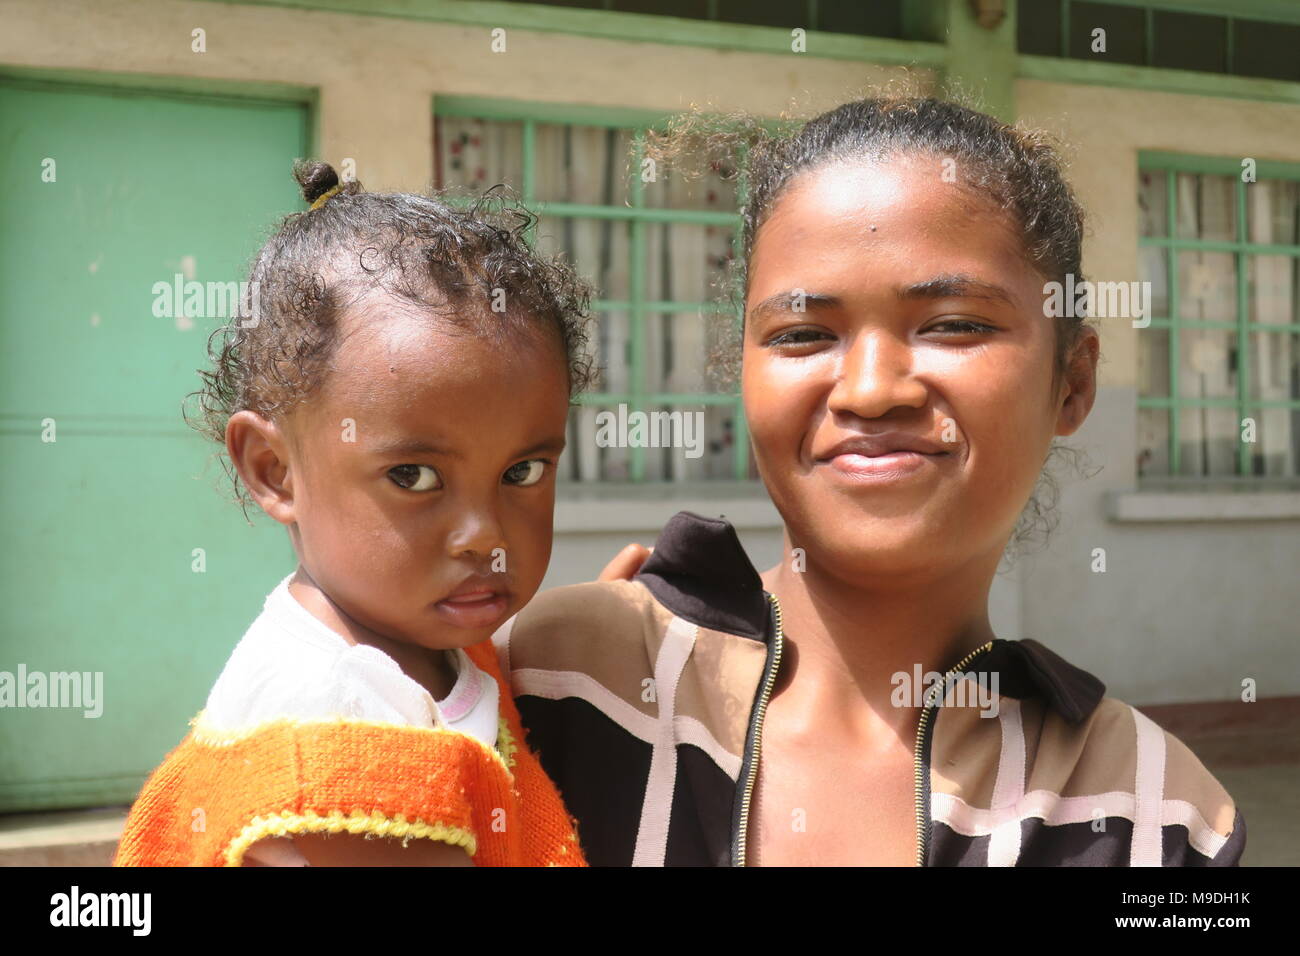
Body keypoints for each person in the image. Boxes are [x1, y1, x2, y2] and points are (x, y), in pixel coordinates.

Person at [493, 97, 1246, 866]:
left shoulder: (1156, 814)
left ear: (1073, 383)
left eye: (954, 323)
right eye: (804, 335)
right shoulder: (557, 688)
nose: (871, 390)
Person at [114, 162, 592, 867]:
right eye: (414, 476)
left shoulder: (412, 638)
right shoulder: (338, 735)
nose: (485, 535)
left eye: (522, 472)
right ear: (274, 470)